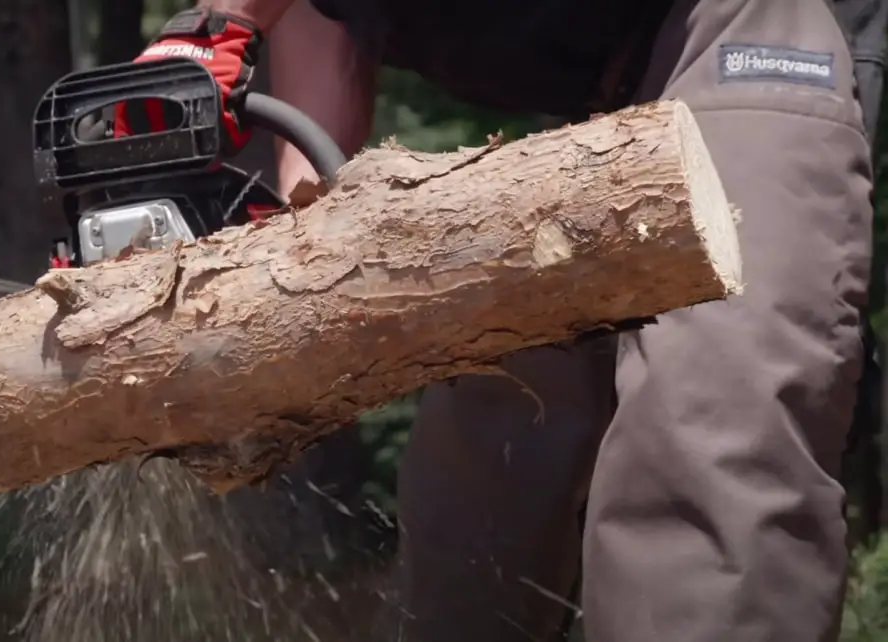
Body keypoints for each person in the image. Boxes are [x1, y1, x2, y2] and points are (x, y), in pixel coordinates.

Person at [118, 0, 875, 640]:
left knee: (714, 408)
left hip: (749, 20)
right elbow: (324, 23)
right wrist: (296, 256)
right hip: (589, 84)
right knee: (494, 435)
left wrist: (220, 19)